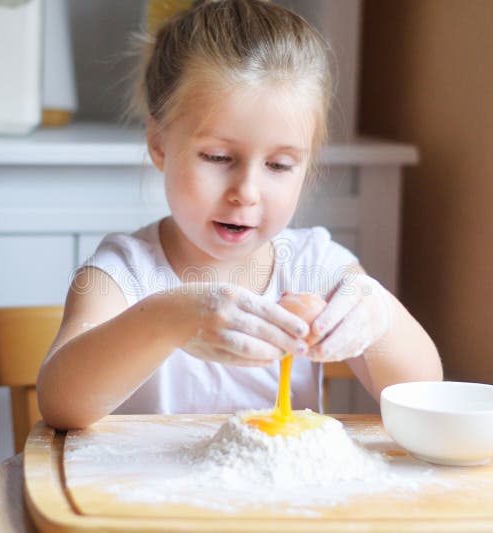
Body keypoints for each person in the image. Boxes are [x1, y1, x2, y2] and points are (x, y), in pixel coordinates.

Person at [37, 0, 442, 430]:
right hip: (149, 497)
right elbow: (62, 404)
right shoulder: (122, 273)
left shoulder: (316, 266)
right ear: (159, 144)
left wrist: (376, 315)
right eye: (217, 157)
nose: (246, 193)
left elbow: (425, 393)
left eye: (279, 166)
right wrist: (170, 317)